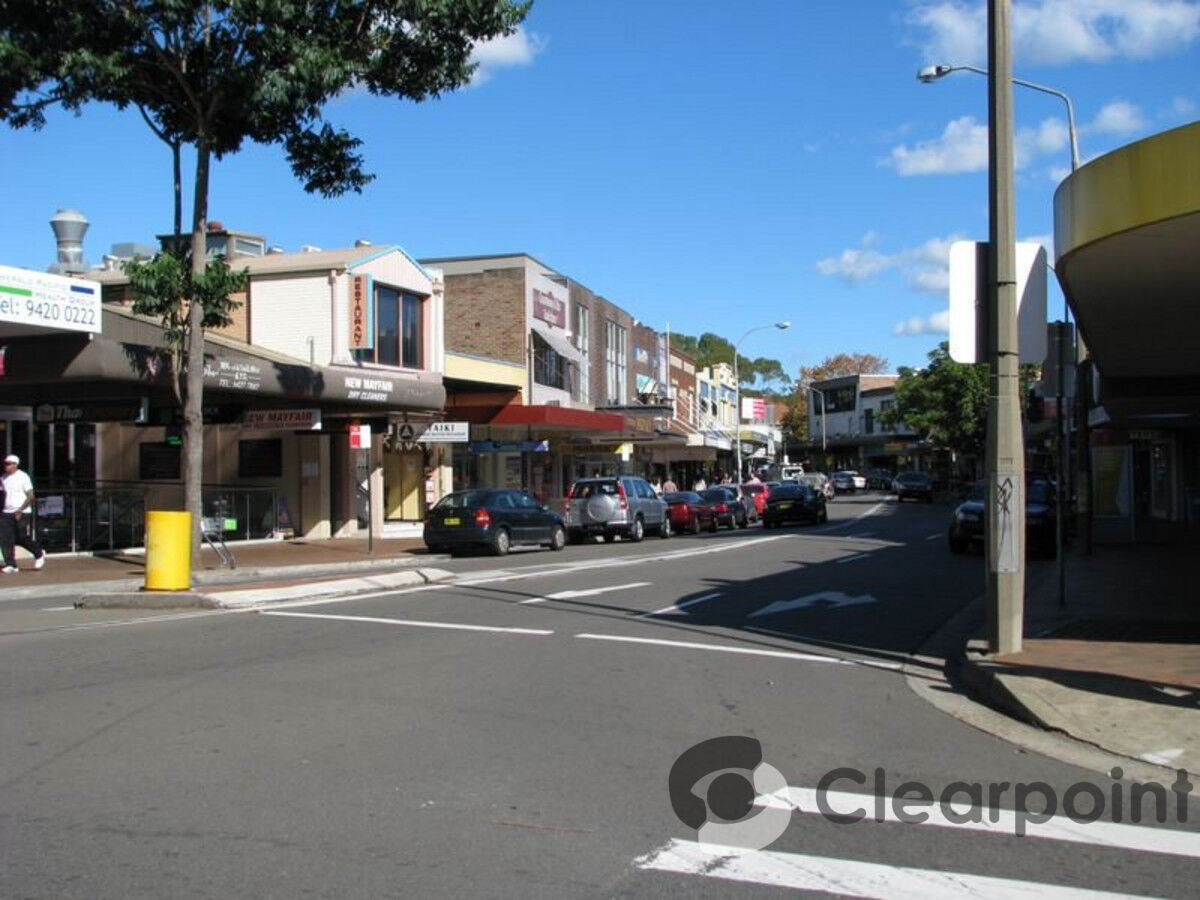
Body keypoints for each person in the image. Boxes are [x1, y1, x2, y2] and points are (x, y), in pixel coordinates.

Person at [0, 454, 46, 573]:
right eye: (5, 463)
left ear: (15, 465)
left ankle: (38, 553)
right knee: (5, 539)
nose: (6, 466)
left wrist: (20, 510)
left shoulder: (23, 477)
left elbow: (31, 496)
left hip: (22, 511)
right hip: (6, 512)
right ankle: (11, 564)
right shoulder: (3, 478)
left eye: (9, 464)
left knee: (21, 537)